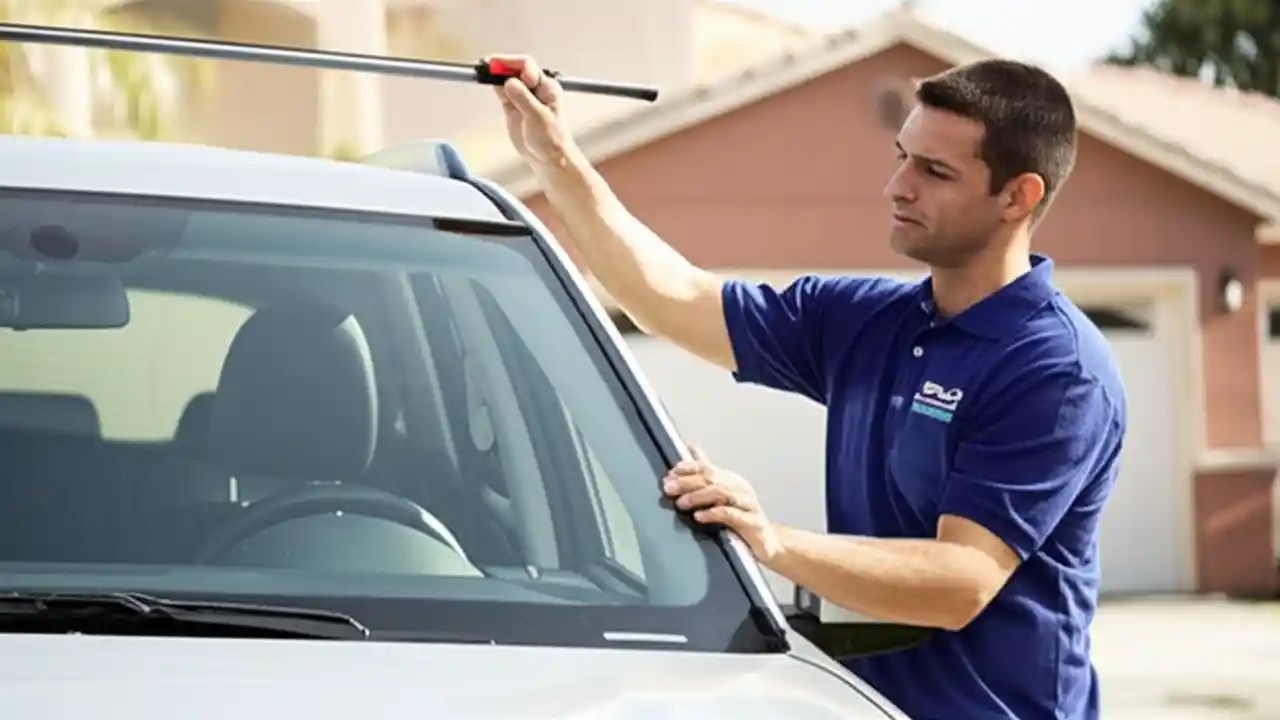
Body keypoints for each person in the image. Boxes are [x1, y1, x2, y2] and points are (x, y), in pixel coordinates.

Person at [489, 52, 1126, 720]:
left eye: (934, 172)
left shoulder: (1056, 370)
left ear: (1018, 196)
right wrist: (554, 155)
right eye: (902, 157)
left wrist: (771, 540)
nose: (898, 187)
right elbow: (671, 299)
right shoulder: (867, 320)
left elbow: (960, 582)